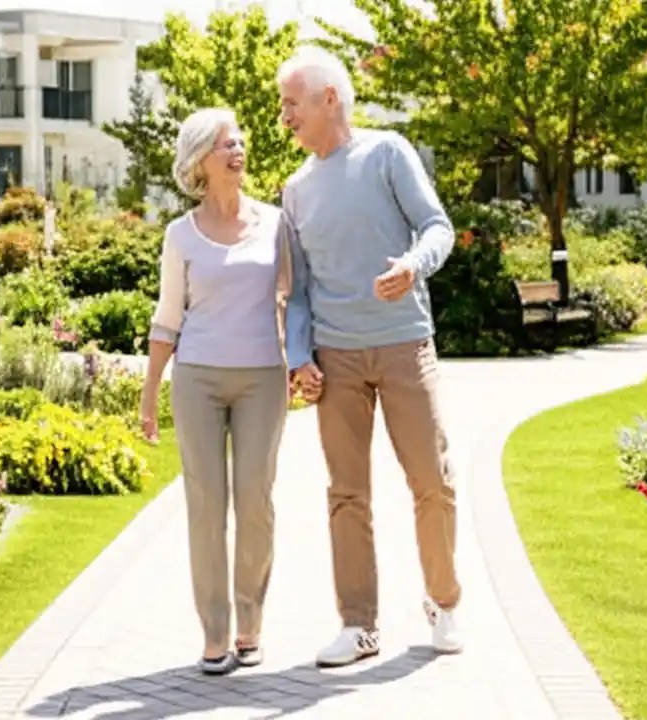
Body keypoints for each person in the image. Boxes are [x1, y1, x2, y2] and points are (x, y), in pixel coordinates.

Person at [276, 46, 463, 668]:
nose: (284, 117)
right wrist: (299, 355)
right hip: (337, 360)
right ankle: (359, 626)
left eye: (292, 102)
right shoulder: (295, 190)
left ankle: (443, 601)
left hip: (406, 344)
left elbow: (438, 227)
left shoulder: (387, 153)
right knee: (346, 495)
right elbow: (298, 290)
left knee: (431, 482)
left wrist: (413, 265)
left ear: (330, 99)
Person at [139, 107, 310, 675]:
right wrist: (148, 395)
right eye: (222, 146)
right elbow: (168, 317)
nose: (236, 151)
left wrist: (305, 360)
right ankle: (214, 632)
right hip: (198, 381)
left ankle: (250, 625)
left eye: (239, 141)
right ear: (199, 163)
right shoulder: (180, 235)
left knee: (255, 503)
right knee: (206, 506)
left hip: (263, 377)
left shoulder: (276, 224)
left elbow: (297, 299)